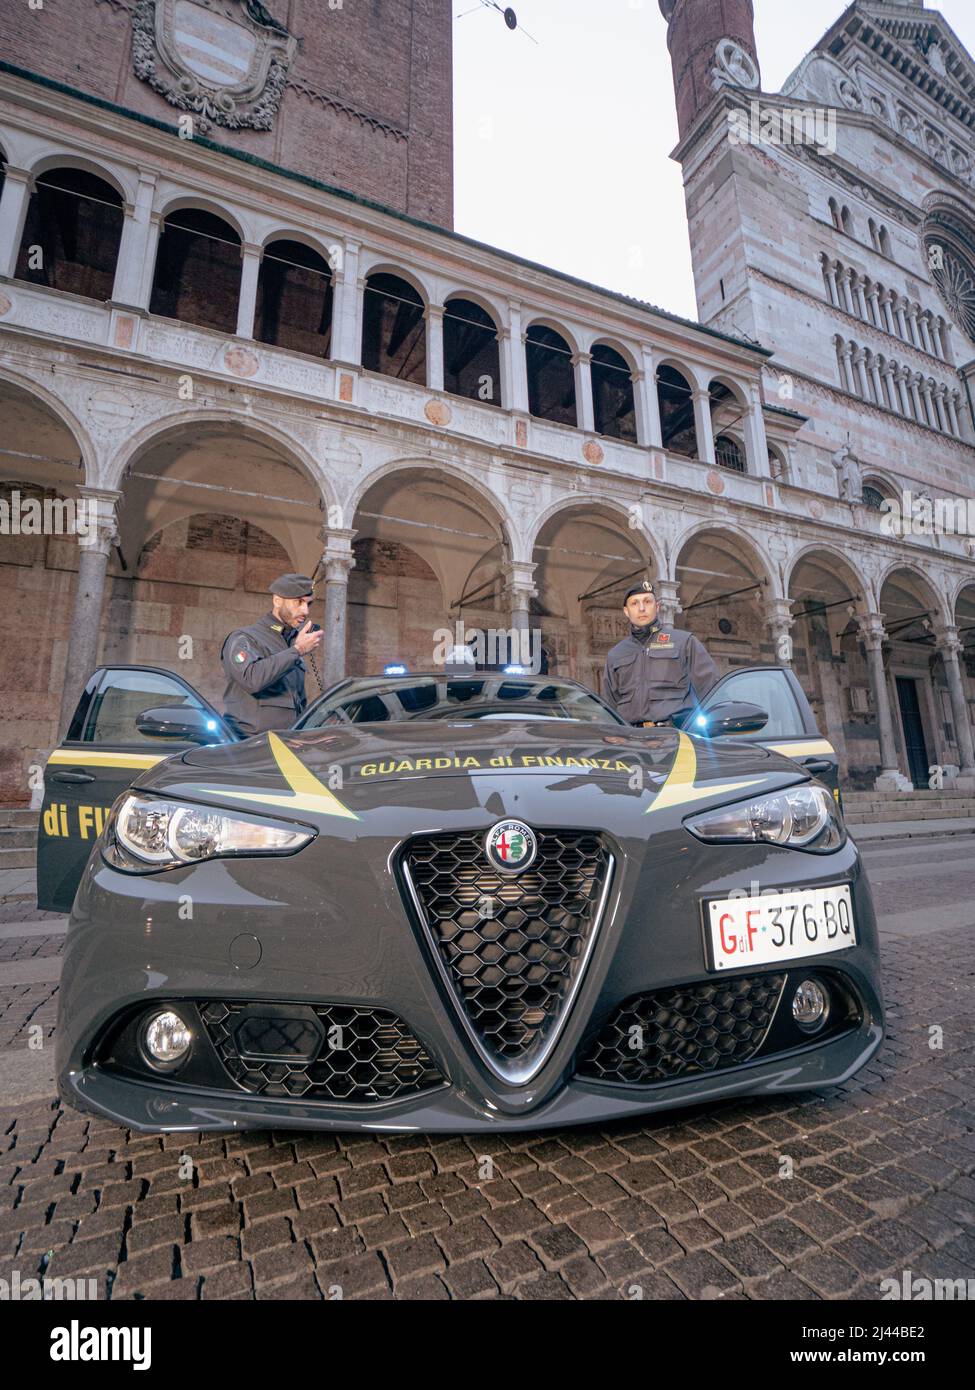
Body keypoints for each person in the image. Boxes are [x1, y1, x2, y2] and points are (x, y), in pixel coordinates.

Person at [602, 580, 719, 726]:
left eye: (647, 601)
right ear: (626, 611)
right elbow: (609, 705)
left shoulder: (684, 642)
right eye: (634, 603)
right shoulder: (616, 655)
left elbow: (711, 690)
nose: (642, 608)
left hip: (676, 736)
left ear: (657, 606)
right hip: (630, 739)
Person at [220, 573, 324, 737]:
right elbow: (251, 679)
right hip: (248, 745)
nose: (305, 610)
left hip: (287, 744)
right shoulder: (244, 638)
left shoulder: (291, 642)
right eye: (299, 602)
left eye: (308, 604)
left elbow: (297, 701)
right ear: (277, 601)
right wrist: (297, 651)